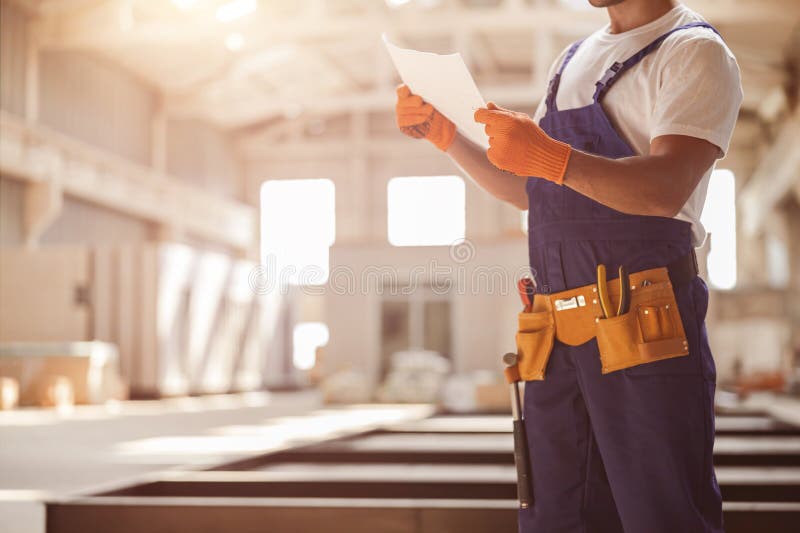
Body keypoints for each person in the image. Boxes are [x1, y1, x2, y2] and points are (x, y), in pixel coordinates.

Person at [394, 0, 742, 532]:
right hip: (555, 334)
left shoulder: (692, 51)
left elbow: (665, 188)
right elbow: (528, 190)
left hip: (640, 324)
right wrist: (447, 137)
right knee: (558, 516)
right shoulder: (572, 60)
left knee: (662, 513)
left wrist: (553, 158)